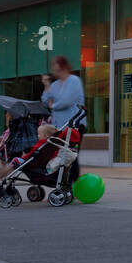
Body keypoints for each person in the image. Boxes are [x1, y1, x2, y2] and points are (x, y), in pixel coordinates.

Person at [48, 56, 84, 186]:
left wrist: (54, 105)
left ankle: (72, 186)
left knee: (71, 156)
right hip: (59, 126)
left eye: (54, 66)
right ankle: (62, 185)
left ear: (62, 66)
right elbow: (46, 99)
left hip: (74, 125)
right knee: (60, 157)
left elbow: (67, 101)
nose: (52, 69)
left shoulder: (74, 81)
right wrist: (46, 86)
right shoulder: (54, 85)